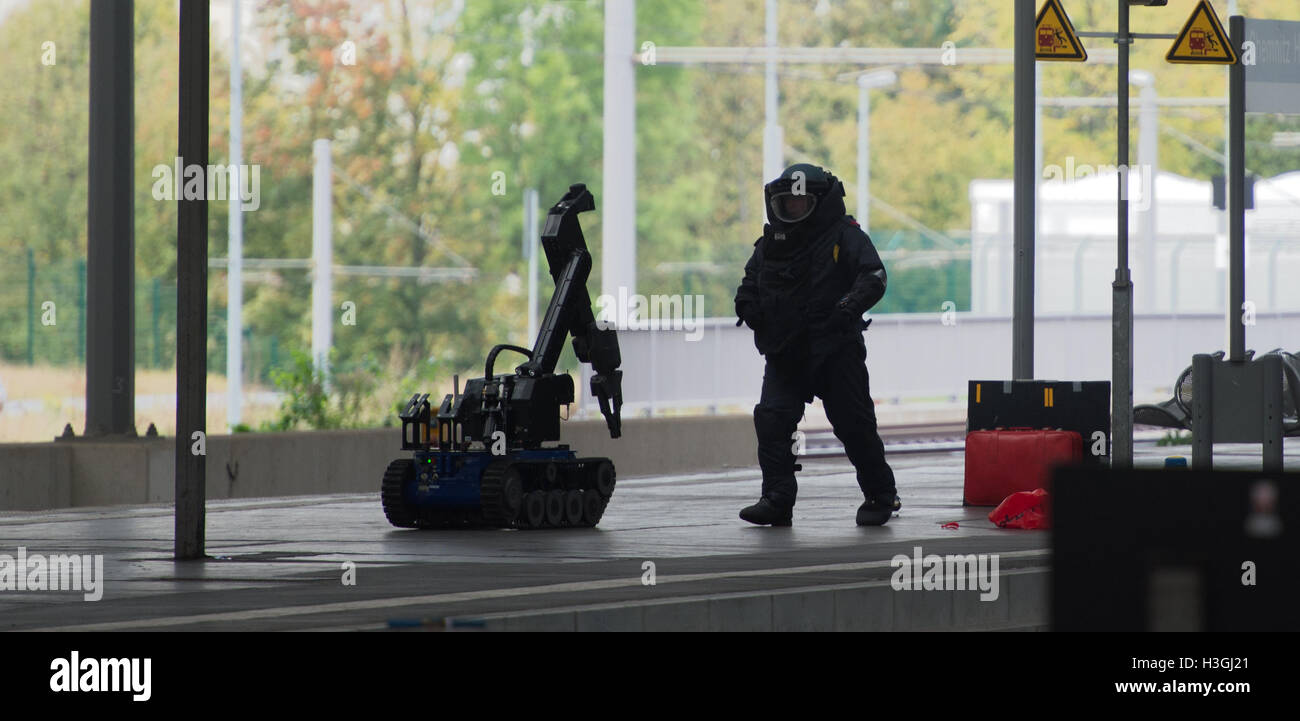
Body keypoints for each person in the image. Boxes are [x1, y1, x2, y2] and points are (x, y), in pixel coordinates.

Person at [733, 163, 898, 526]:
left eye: (800, 202)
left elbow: (874, 276)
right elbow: (750, 280)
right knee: (773, 423)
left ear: (819, 203)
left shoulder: (845, 235)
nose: (792, 210)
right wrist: (747, 305)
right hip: (784, 352)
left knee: (854, 426)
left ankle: (880, 494)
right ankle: (776, 500)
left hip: (834, 351)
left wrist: (847, 308)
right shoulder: (771, 244)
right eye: (786, 203)